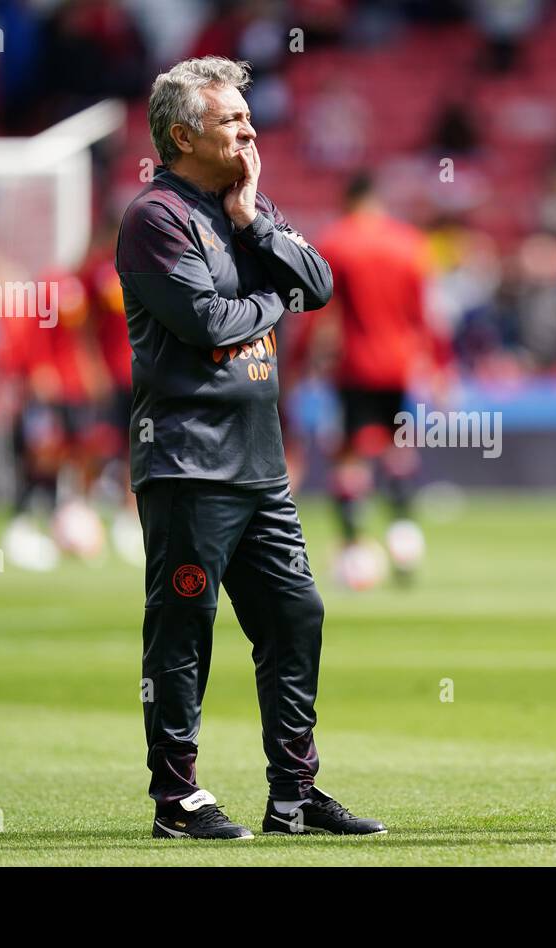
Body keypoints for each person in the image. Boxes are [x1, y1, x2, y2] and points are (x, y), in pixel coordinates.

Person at [118, 56, 385, 840]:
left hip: (260, 465)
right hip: (187, 460)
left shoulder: (245, 207)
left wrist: (252, 222)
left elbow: (322, 284)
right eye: (231, 118)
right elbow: (207, 324)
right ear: (179, 134)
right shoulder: (154, 218)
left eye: (248, 115)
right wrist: (274, 302)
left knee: (296, 616)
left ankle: (295, 795)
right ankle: (178, 799)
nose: (250, 128)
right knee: (184, 627)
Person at [308, 172, 445, 586]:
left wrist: (298, 363)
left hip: (353, 366)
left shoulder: (335, 240)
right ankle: (404, 542)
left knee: (350, 457)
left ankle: (354, 553)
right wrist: (440, 366)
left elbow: (319, 312)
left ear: (348, 201)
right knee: (399, 450)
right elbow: (426, 316)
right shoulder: (411, 244)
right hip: (400, 366)